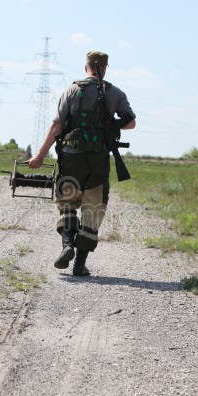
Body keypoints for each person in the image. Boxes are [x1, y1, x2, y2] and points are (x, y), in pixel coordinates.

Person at [26, 51, 136, 276]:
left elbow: (56, 126)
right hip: (97, 162)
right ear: (105, 68)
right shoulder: (115, 93)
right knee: (93, 209)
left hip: (70, 158)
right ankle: (79, 265)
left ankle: (67, 246)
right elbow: (131, 123)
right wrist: (110, 125)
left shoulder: (71, 90)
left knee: (67, 204)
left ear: (86, 67)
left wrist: (39, 156)